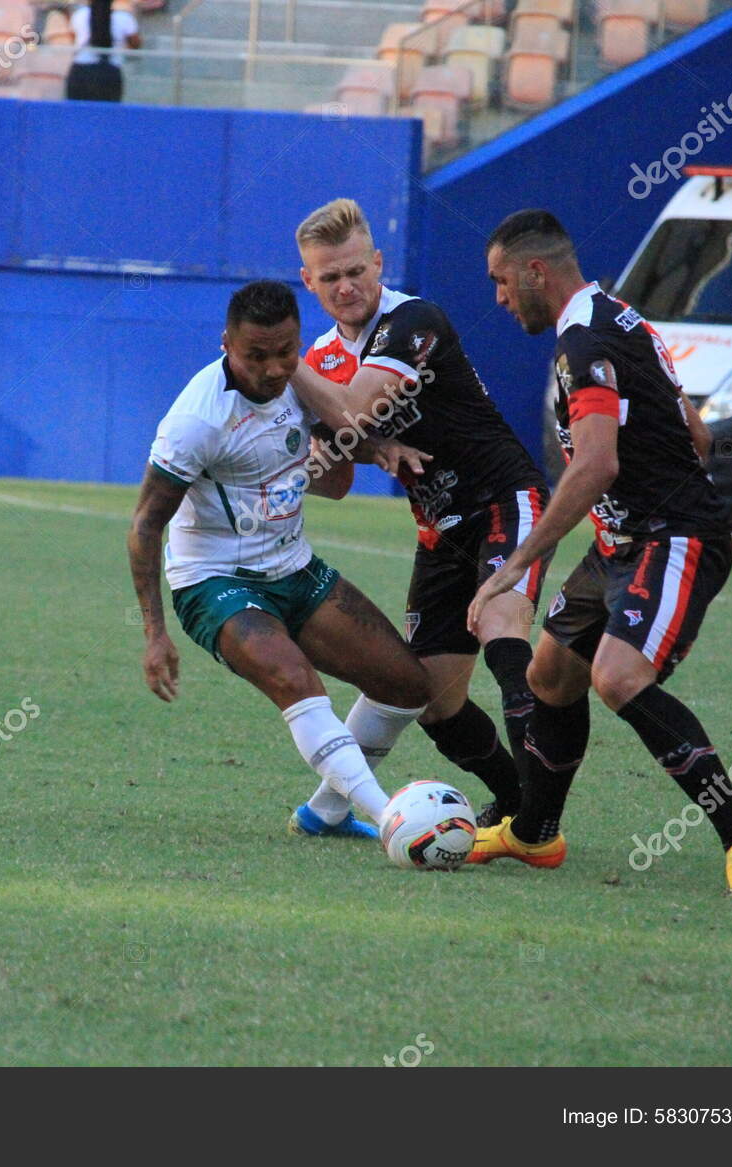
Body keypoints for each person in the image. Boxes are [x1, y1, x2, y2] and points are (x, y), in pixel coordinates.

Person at [467, 208, 732, 896]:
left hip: (675, 536)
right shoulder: (620, 317)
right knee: (552, 674)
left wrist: (514, 567)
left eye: (500, 281)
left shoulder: (584, 343)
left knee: (616, 676)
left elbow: (596, 465)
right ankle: (534, 834)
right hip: (624, 540)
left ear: (535, 272)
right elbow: (695, 434)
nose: (497, 298)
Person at [129, 279, 435, 839]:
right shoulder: (197, 419)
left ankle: (327, 814)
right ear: (226, 343)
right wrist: (155, 633)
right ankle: (391, 817)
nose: (273, 369)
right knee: (297, 680)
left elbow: (328, 431)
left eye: (286, 352)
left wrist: (380, 450)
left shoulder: (299, 380)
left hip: (294, 569)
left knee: (407, 685)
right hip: (213, 581)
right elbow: (146, 524)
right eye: (256, 356)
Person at [288, 198, 550, 830]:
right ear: (310, 281)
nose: (346, 286)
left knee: (500, 625)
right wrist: (328, 454)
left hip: (502, 498)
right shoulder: (321, 359)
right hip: (440, 531)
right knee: (430, 698)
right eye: (330, 277)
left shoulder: (412, 321)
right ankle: (518, 802)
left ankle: (543, 818)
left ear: (378, 263)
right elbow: (336, 481)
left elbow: (352, 408)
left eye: (357, 270)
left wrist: (280, 362)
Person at [66, 1, 140, 103]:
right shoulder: (124, 18)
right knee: (107, 113)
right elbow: (135, 44)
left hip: (81, 70)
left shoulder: (80, 15)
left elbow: (72, 39)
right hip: (110, 72)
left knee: (77, 111)